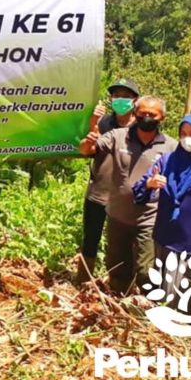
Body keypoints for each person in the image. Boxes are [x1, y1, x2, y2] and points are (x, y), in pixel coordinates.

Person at [132, 114, 191, 314]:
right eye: (183, 134)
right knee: (167, 286)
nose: (187, 139)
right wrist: (149, 184)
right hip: (166, 234)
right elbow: (140, 189)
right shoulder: (168, 161)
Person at [79, 95, 176, 295]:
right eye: (142, 114)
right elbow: (88, 149)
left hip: (149, 218)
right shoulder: (118, 136)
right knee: (117, 267)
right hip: (117, 215)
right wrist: (89, 141)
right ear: (135, 114)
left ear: (162, 118)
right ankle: (121, 305)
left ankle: (151, 307)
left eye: (152, 114)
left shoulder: (171, 147)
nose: (147, 117)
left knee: (145, 270)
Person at [77, 77, 140, 282]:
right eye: (116, 96)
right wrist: (93, 123)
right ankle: (84, 281)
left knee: (123, 243)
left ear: (135, 100)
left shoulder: (143, 126)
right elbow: (88, 149)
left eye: (126, 96)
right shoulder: (104, 122)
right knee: (91, 239)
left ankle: (121, 284)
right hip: (99, 191)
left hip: (126, 197)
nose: (120, 100)